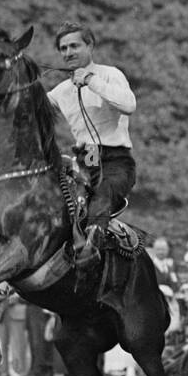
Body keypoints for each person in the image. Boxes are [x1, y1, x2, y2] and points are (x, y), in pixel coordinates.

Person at [47, 21, 137, 266]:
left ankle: (91, 249)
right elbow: (31, 111)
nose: (68, 53)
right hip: (84, 160)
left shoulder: (110, 75)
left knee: (103, 192)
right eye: (63, 48)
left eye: (74, 45)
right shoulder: (61, 90)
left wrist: (90, 80)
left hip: (115, 161)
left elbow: (129, 105)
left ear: (90, 45)